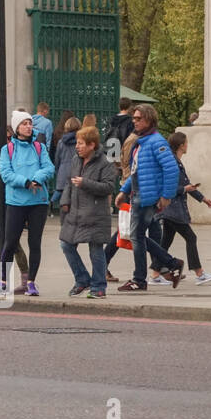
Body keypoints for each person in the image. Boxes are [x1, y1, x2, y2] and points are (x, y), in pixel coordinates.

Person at [114, 104, 186, 292]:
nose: (134, 121)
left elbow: (171, 170)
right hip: (138, 194)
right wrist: (123, 190)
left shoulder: (157, 142)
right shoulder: (142, 142)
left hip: (147, 197)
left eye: (139, 119)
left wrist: (166, 196)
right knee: (137, 236)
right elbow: (137, 172)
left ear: (149, 120)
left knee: (136, 237)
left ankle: (140, 279)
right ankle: (170, 264)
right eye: (134, 118)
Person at [0, 111, 55, 296]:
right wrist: (26, 182)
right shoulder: (7, 150)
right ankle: (3, 281)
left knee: (34, 243)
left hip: (38, 202)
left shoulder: (39, 147)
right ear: (16, 128)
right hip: (16, 202)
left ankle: (31, 283)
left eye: (30, 123)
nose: (29, 126)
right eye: (24, 123)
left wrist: (36, 179)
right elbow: (6, 174)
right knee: (9, 242)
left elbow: (49, 167)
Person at [59, 126, 119, 297]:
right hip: (76, 213)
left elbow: (108, 187)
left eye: (80, 143)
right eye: (77, 143)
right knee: (66, 244)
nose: (77, 146)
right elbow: (70, 182)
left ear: (92, 145)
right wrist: (65, 201)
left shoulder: (105, 163)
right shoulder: (76, 159)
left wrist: (86, 183)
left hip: (95, 213)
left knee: (96, 249)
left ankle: (99, 286)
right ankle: (82, 279)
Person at [157, 132, 211, 285]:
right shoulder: (173, 163)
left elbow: (186, 184)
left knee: (165, 242)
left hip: (170, 210)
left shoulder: (176, 161)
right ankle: (199, 273)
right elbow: (173, 187)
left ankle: (154, 275)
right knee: (191, 238)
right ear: (181, 145)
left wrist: (203, 199)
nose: (187, 145)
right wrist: (185, 189)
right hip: (174, 210)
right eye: (186, 143)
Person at [50, 116, 81, 210]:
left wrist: (58, 169)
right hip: (76, 168)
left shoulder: (61, 142)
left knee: (60, 190)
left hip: (63, 168)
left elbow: (57, 158)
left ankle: (51, 202)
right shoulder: (80, 141)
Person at [103, 97, 135, 162]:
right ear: (129, 107)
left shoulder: (111, 119)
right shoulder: (130, 121)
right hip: (123, 151)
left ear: (119, 106)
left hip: (110, 150)